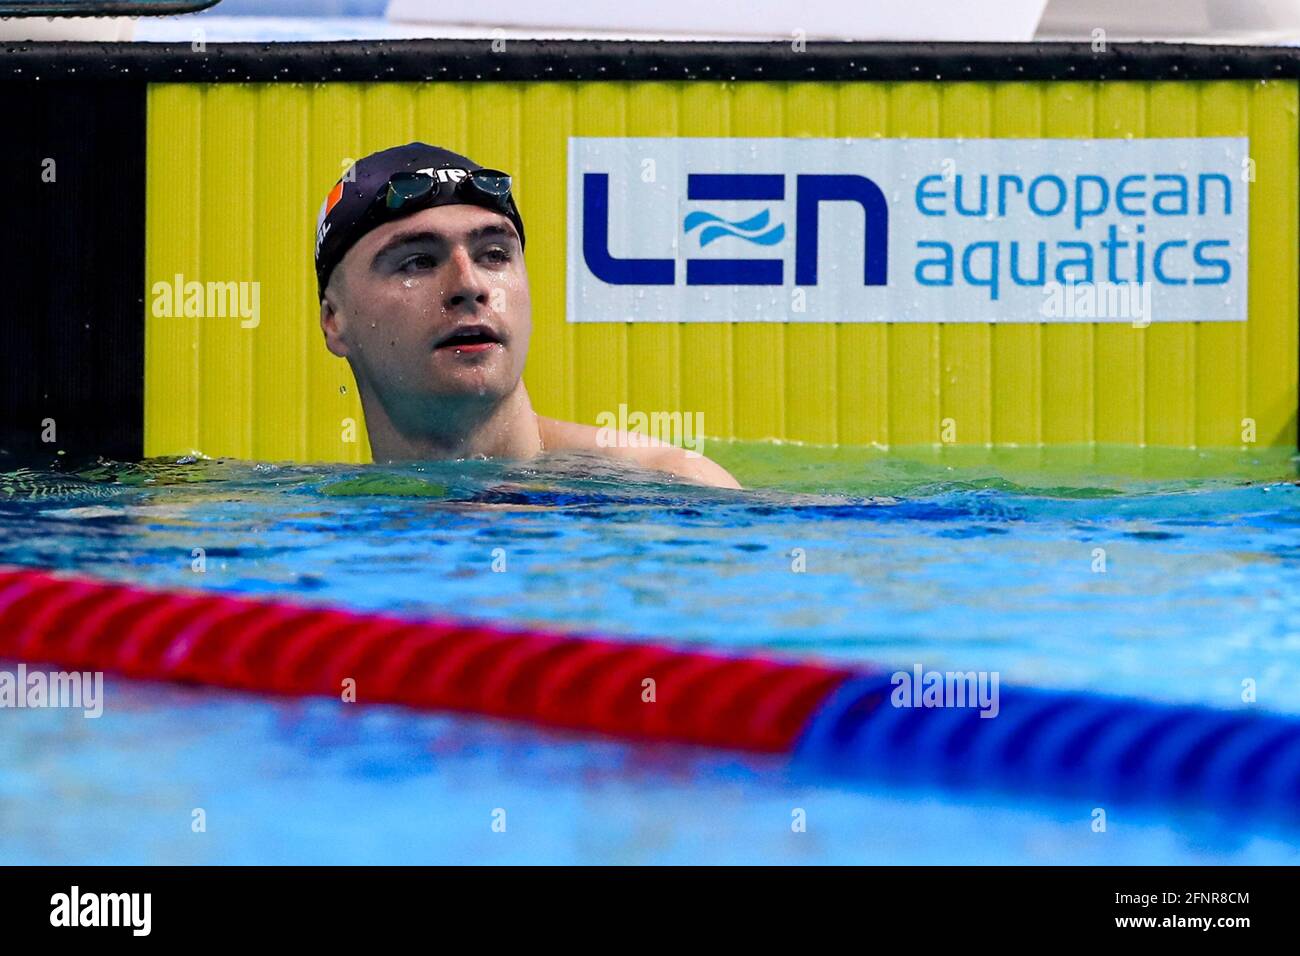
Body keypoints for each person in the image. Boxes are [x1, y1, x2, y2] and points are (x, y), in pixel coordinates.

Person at [315, 143, 740, 490]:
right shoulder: (321, 516)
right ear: (334, 320)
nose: (469, 284)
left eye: (494, 255)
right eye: (418, 262)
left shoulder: (671, 489)